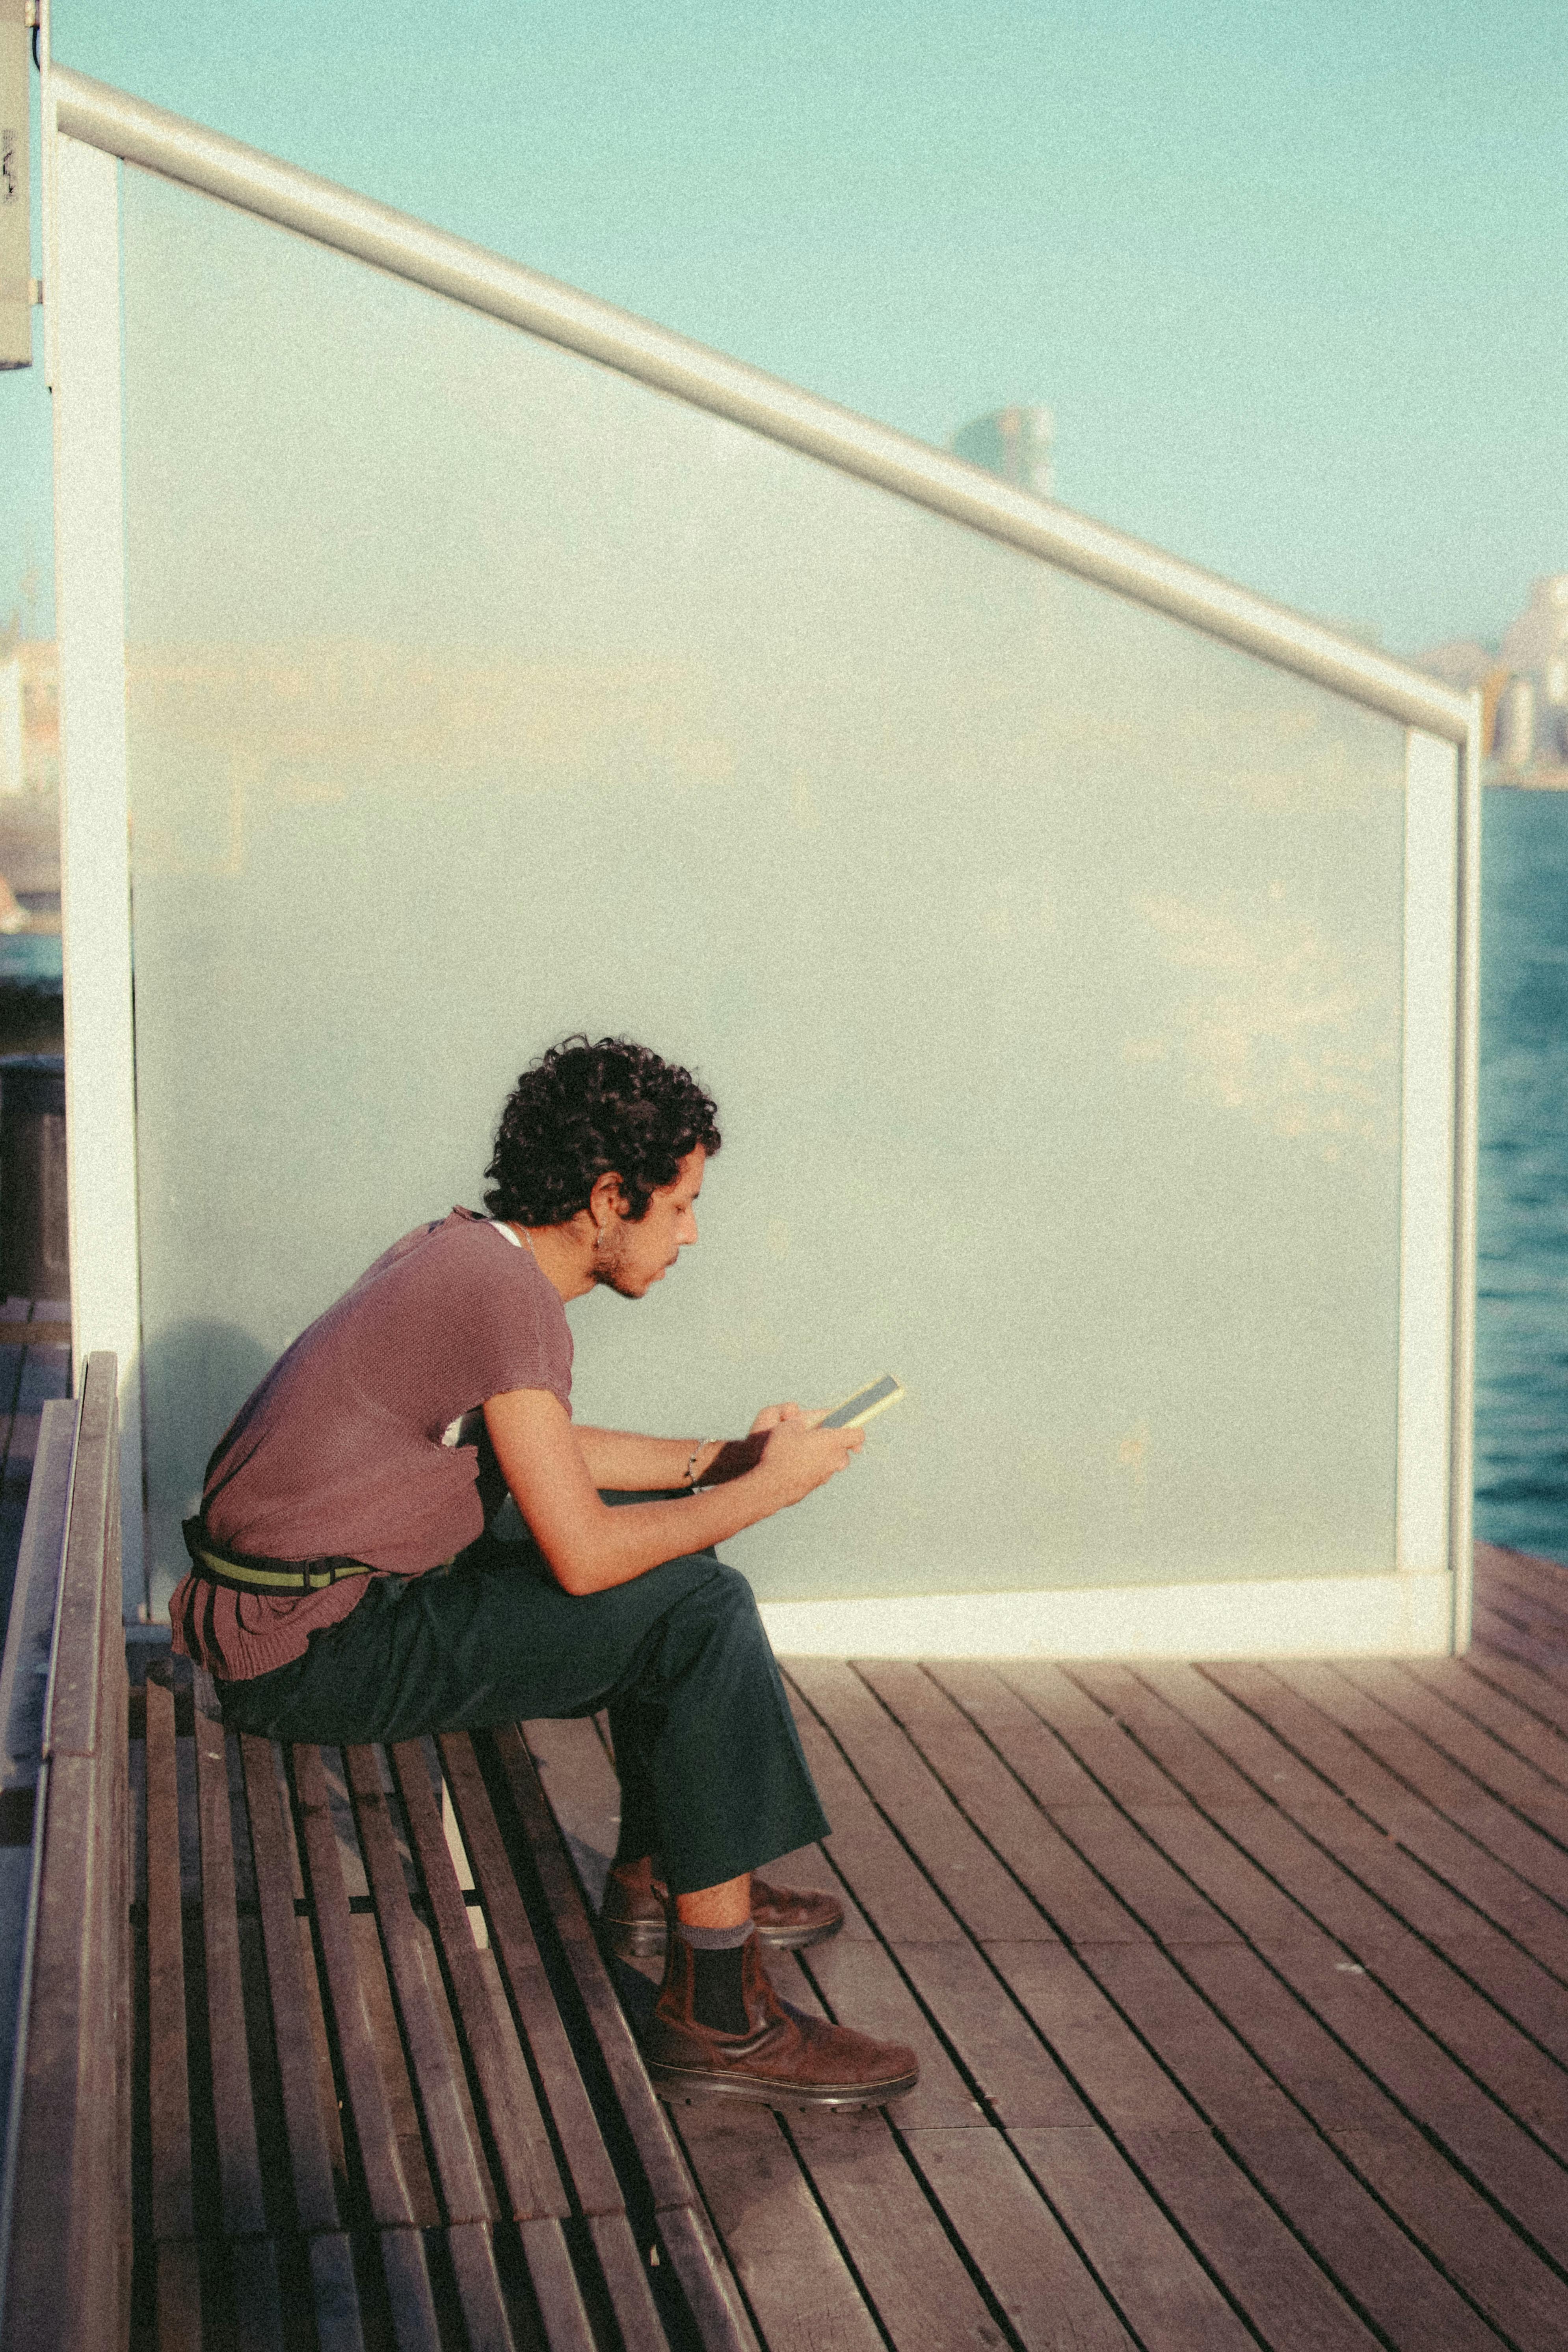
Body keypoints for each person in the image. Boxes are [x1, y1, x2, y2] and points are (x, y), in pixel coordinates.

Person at [170, 1034, 917, 2109]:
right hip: (311, 1652)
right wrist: (776, 1490)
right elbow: (583, 1554)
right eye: (681, 1204)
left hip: (300, 1616)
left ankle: (672, 1872)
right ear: (610, 1199)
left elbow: (540, 1452)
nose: (692, 1233)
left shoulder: (466, 1255)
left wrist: (729, 1460)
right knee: (700, 1607)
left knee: (679, 1549)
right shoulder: (505, 1297)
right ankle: (721, 2013)